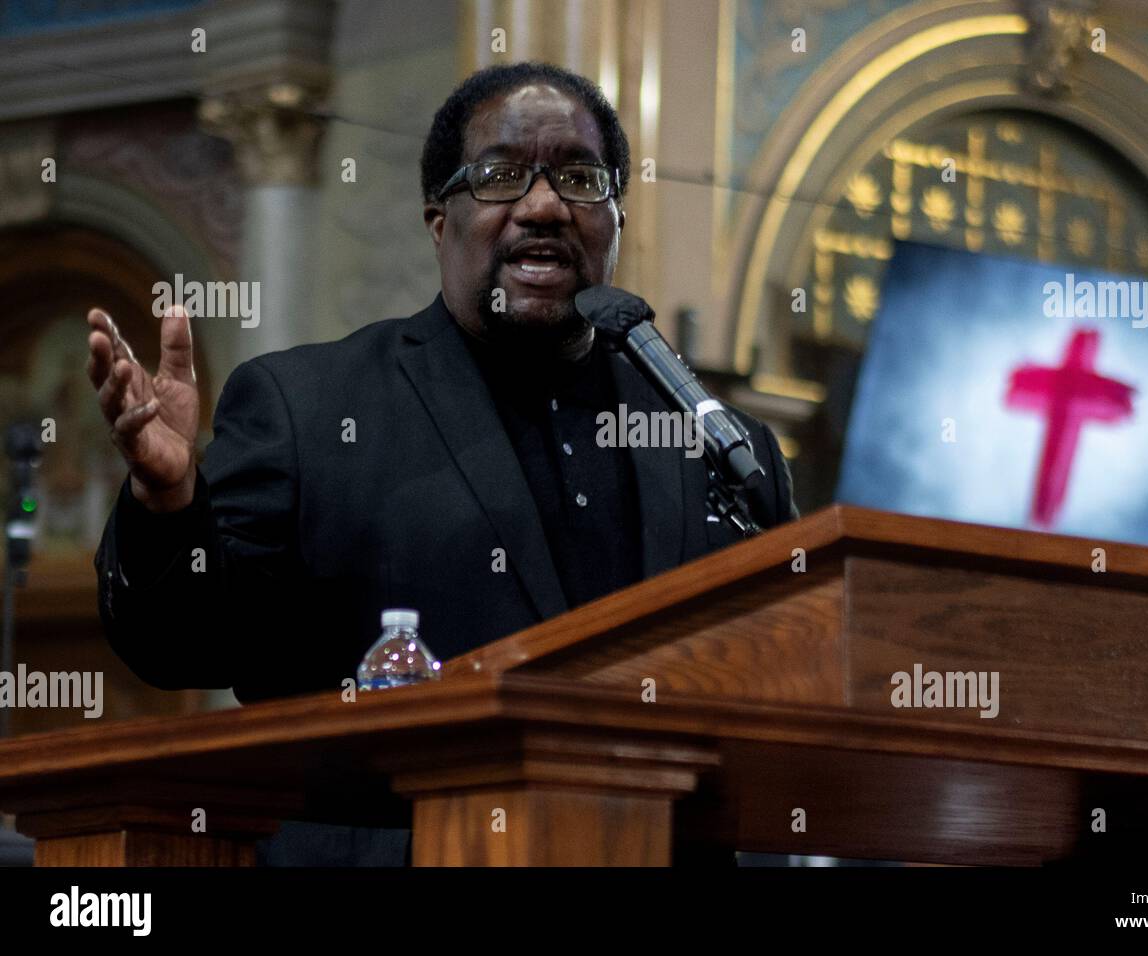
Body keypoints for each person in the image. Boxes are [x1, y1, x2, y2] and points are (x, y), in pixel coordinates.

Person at [85, 62, 796, 864]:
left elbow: (783, 694)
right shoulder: (310, 408)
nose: (544, 206)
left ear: (616, 218)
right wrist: (169, 503)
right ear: (439, 219)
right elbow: (185, 646)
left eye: (578, 177)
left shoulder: (718, 445)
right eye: (500, 176)